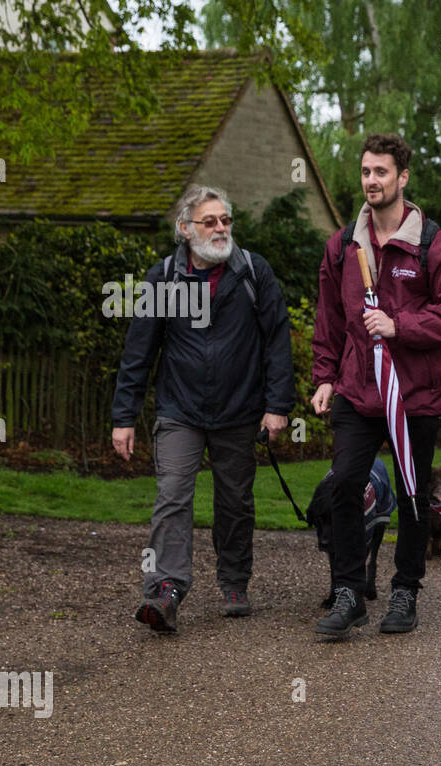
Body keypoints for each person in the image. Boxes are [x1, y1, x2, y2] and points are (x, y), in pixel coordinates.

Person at [112, 185, 295, 632]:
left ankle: (234, 581)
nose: (220, 228)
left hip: (239, 409)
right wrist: (123, 417)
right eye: (209, 221)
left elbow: (277, 342)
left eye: (225, 221)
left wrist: (277, 406)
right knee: (172, 496)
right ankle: (165, 591)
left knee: (234, 501)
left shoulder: (253, 272)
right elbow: (140, 350)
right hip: (180, 410)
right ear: (184, 228)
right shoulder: (164, 279)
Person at [310, 133, 441, 639]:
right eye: (366, 172)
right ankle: (349, 591)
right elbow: (328, 318)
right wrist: (325, 377)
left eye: (381, 172)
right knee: (344, 483)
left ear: (402, 178)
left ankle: (404, 591)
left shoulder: (433, 244)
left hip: (416, 395)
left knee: (412, 491)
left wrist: (398, 326)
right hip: (359, 390)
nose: (372, 181)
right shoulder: (343, 245)